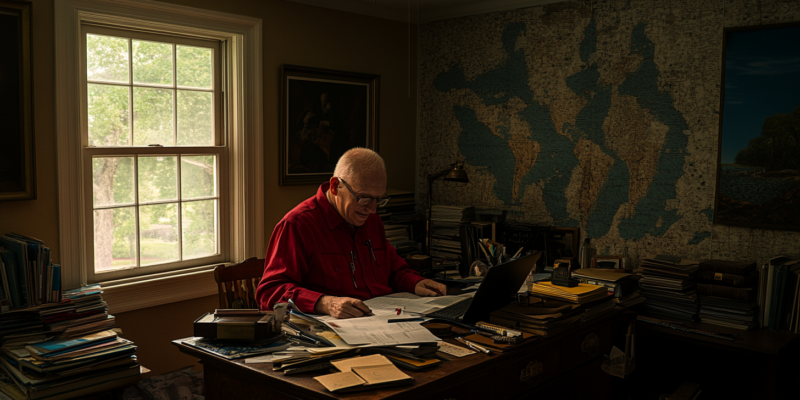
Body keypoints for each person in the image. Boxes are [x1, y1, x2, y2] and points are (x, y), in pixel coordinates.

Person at [256, 148, 446, 318]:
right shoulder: (297, 225)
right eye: (363, 198)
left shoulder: (372, 221)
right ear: (335, 186)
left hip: (386, 322)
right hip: (333, 336)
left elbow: (394, 271)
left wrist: (415, 282)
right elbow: (269, 292)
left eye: (378, 200)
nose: (373, 210)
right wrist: (326, 303)